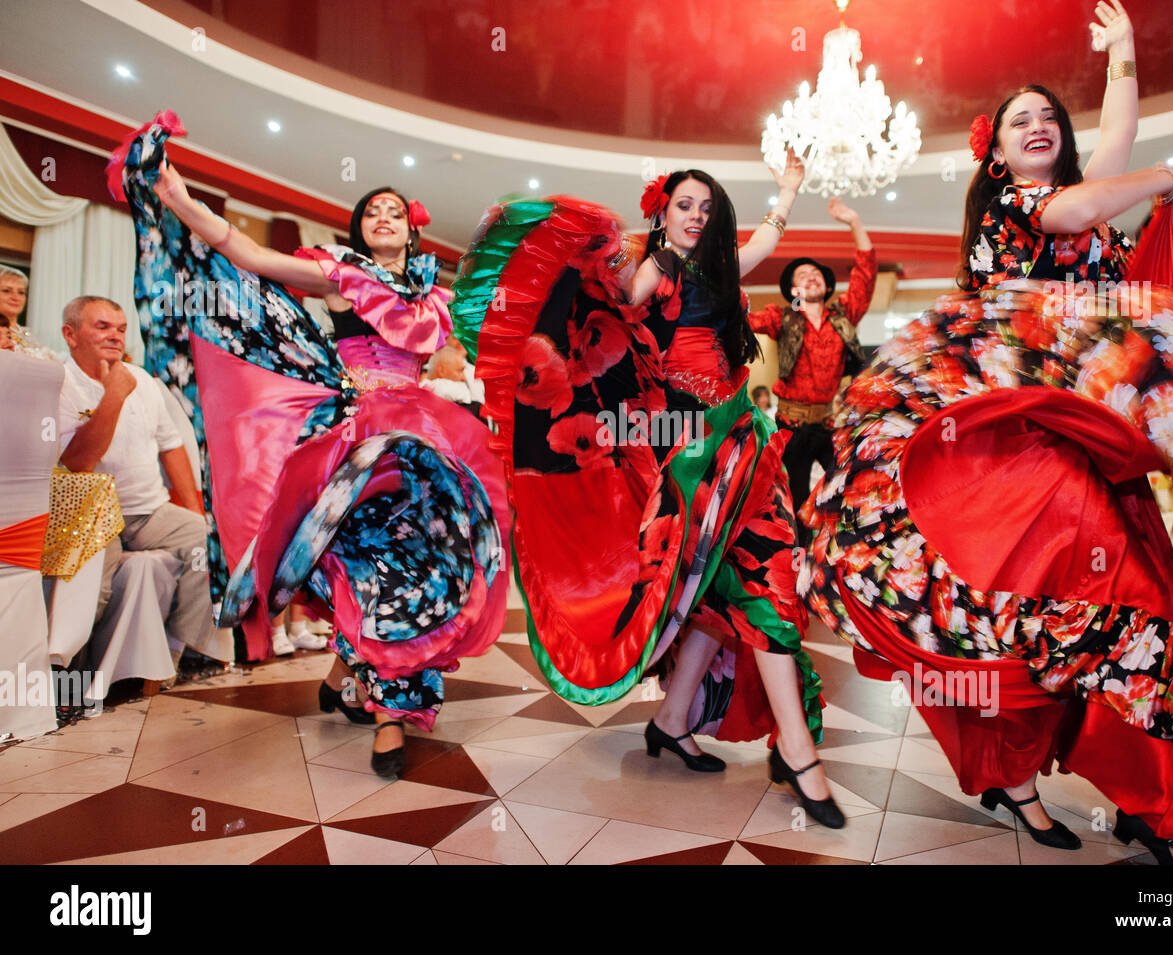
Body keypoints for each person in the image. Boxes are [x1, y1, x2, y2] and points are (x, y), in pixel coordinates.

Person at [800, 0, 1173, 863]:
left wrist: (1124, 54)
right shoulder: (1014, 212)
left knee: (1139, 607)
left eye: (1050, 117)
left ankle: (1151, 797)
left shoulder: (1082, 200)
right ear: (996, 150)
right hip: (1018, 453)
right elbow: (1073, 208)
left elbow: (1108, 155)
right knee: (1086, 609)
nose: (1039, 125)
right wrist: (1164, 183)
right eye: (1021, 120)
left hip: (1089, 442)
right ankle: (1079, 789)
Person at [112, 112, 509, 777]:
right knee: (365, 560)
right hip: (353, 437)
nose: (383, 216)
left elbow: (493, 311)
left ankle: (342, 676)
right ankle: (390, 714)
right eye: (371, 211)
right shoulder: (339, 275)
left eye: (394, 211)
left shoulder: (437, 297)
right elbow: (247, 253)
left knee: (422, 557)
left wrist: (499, 239)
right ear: (359, 229)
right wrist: (179, 198)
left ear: (412, 229)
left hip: (421, 439)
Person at [451, 154, 844, 827]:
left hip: (742, 444)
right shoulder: (655, 268)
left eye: (707, 207)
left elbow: (765, 244)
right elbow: (610, 311)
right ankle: (800, 755)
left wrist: (788, 190)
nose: (697, 215)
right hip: (691, 455)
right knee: (769, 586)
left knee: (715, 596)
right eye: (685, 203)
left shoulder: (717, 272)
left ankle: (670, 720)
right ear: (662, 210)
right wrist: (582, 269)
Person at [57, 296, 232, 666]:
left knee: (209, 541)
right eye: (102, 327)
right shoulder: (58, 382)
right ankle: (74, 672)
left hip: (148, 513)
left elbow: (171, 447)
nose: (115, 336)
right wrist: (114, 395)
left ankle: (180, 649)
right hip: (90, 518)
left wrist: (193, 508)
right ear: (69, 335)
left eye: (120, 329)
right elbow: (77, 461)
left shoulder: (143, 381)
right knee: (93, 589)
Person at [747, 198, 875, 530]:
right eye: (804, 276)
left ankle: (839, 555)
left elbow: (866, 274)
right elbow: (743, 320)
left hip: (829, 423)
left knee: (846, 491)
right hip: (791, 426)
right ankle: (798, 562)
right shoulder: (782, 317)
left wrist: (854, 221)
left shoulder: (843, 316)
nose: (812, 277)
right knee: (794, 500)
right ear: (793, 290)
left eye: (816, 274)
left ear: (827, 285)